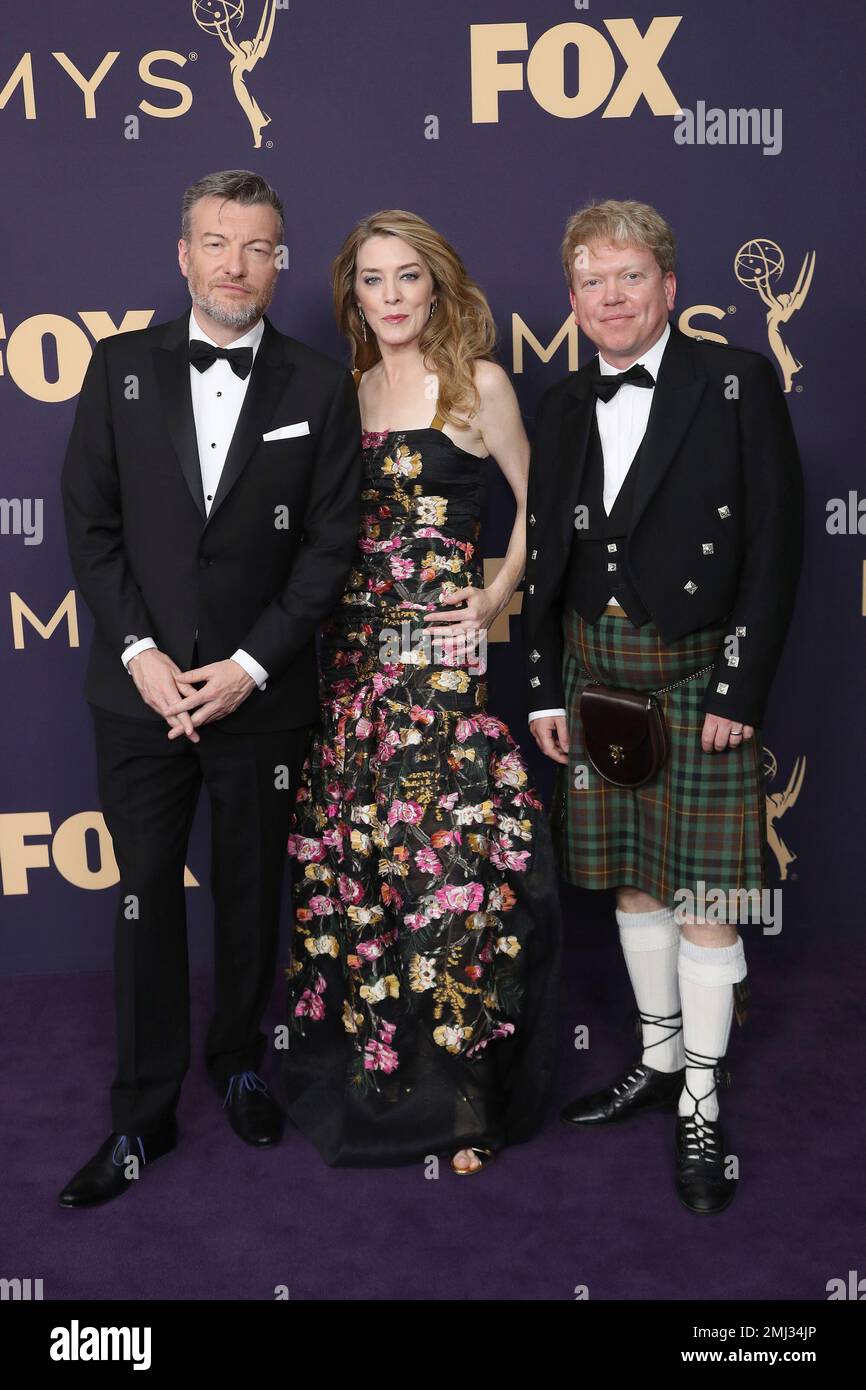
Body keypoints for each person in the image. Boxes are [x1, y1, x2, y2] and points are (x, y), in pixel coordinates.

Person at [58, 169, 362, 1207]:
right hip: (137, 697)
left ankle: (238, 1063)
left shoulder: (321, 388)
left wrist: (247, 666)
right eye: (217, 244)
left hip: (260, 699)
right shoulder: (117, 367)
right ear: (183, 255)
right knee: (144, 899)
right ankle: (141, 1115)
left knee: (248, 895)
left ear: (281, 259)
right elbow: (91, 530)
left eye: (259, 247)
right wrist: (143, 653)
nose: (237, 266)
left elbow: (328, 552)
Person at [524, 199, 803, 1214]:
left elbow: (775, 544)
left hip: (697, 675)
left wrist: (741, 684)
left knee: (708, 899)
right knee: (632, 884)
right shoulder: (556, 406)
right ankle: (651, 1059)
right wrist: (540, 690)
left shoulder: (733, 382)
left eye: (629, 276)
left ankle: (699, 1094)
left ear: (668, 288)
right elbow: (544, 562)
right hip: (591, 672)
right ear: (571, 300)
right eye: (591, 280)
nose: (610, 296)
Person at [281, 210, 562, 1172]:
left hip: (439, 660)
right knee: (366, 873)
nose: (392, 297)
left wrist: (492, 595)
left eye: (408, 278)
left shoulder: (479, 384)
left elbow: (539, 510)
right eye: (372, 280)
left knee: (453, 877)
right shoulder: (346, 390)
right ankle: (383, 1082)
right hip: (355, 655)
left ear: (437, 288)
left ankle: (461, 1097)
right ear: (351, 295)